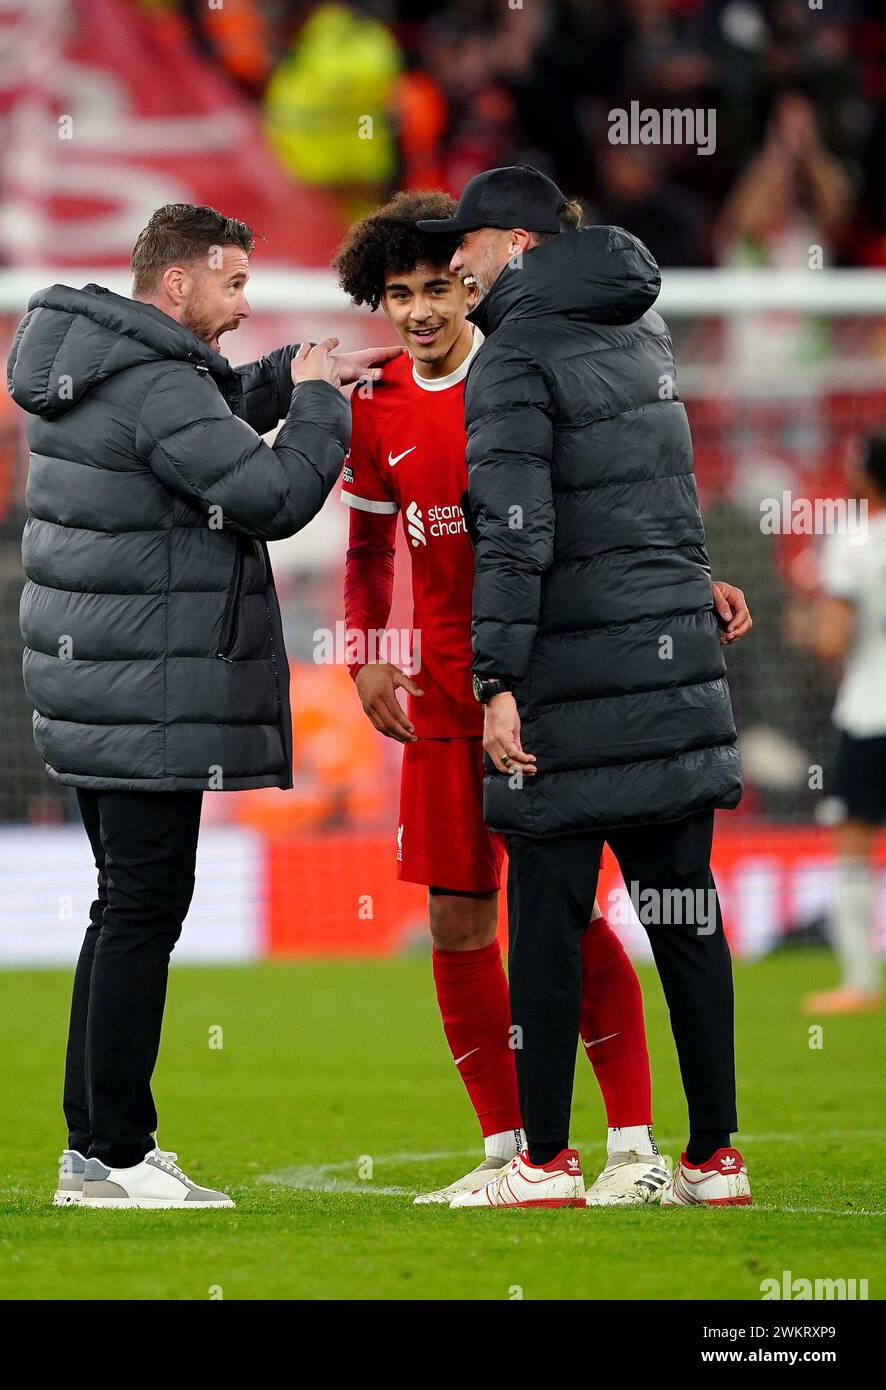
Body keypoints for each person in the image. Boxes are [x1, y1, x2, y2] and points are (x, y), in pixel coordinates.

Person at [334, 189, 752, 1206]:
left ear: (477, 278)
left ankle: (629, 1142)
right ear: (380, 303)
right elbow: (367, 544)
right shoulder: (377, 398)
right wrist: (364, 650)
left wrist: (669, 583)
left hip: (540, 678)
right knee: (457, 919)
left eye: (441, 283)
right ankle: (506, 1148)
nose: (426, 308)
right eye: (403, 292)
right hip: (446, 688)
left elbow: (585, 512)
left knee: (565, 913)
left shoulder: (522, 363)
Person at [8, 202, 395, 1211]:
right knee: (141, 910)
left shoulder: (99, 361)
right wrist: (316, 406)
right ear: (175, 285)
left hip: (100, 686)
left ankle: (95, 1149)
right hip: (151, 690)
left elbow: (204, 414)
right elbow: (269, 494)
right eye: (232, 283)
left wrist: (288, 377)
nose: (244, 302)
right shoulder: (154, 382)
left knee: (122, 908)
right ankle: (116, 1157)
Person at [804, 436, 886, 1016]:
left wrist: (810, 630)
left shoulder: (853, 541)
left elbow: (833, 637)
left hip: (871, 709)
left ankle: (859, 982)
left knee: (853, 843)